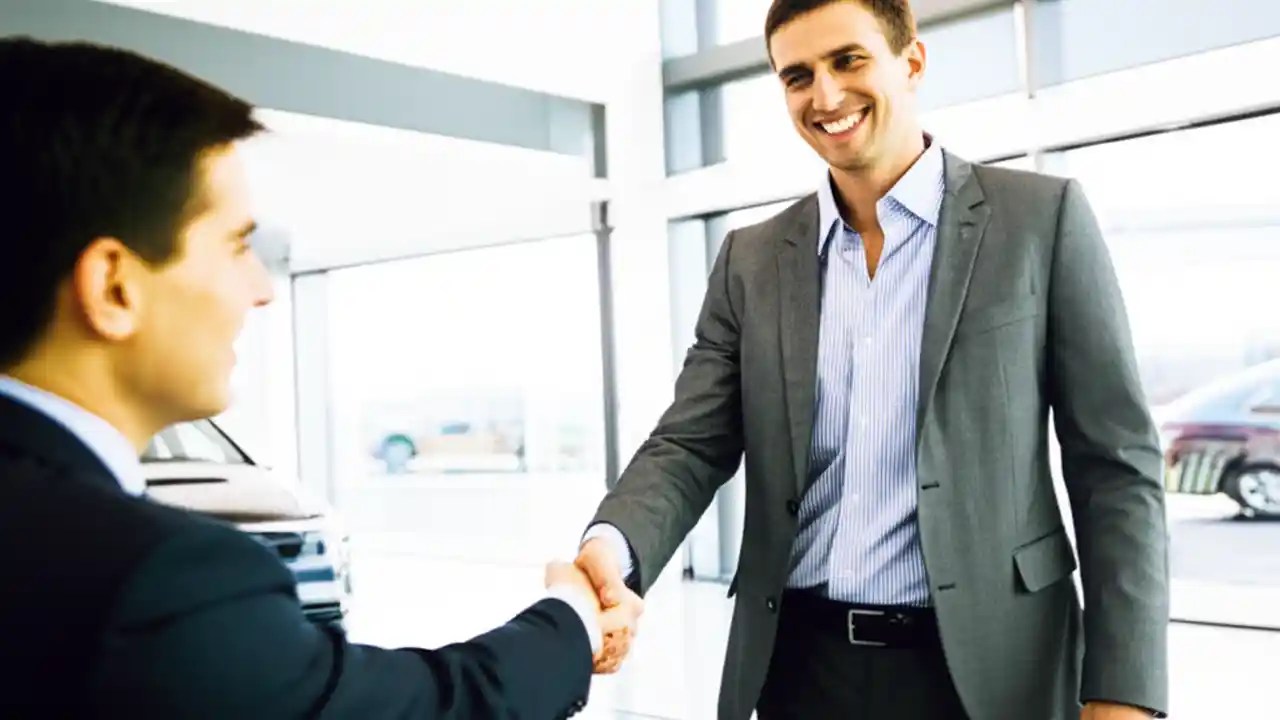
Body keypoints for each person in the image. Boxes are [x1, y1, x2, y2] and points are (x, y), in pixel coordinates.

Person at [0, 37, 640, 719]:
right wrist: (568, 613)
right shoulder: (155, 581)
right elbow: (419, 709)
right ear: (114, 287)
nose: (262, 290)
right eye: (237, 245)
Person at [574, 1, 1167, 719]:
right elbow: (690, 443)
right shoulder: (751, 261)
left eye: (848, 61)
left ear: (910, 62)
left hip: (992, 666)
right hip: (799, 667)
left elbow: (1116, 468)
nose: (824, 96)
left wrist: (1122, 692)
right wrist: (613, 546)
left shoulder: (1040, 221)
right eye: (797, 76)